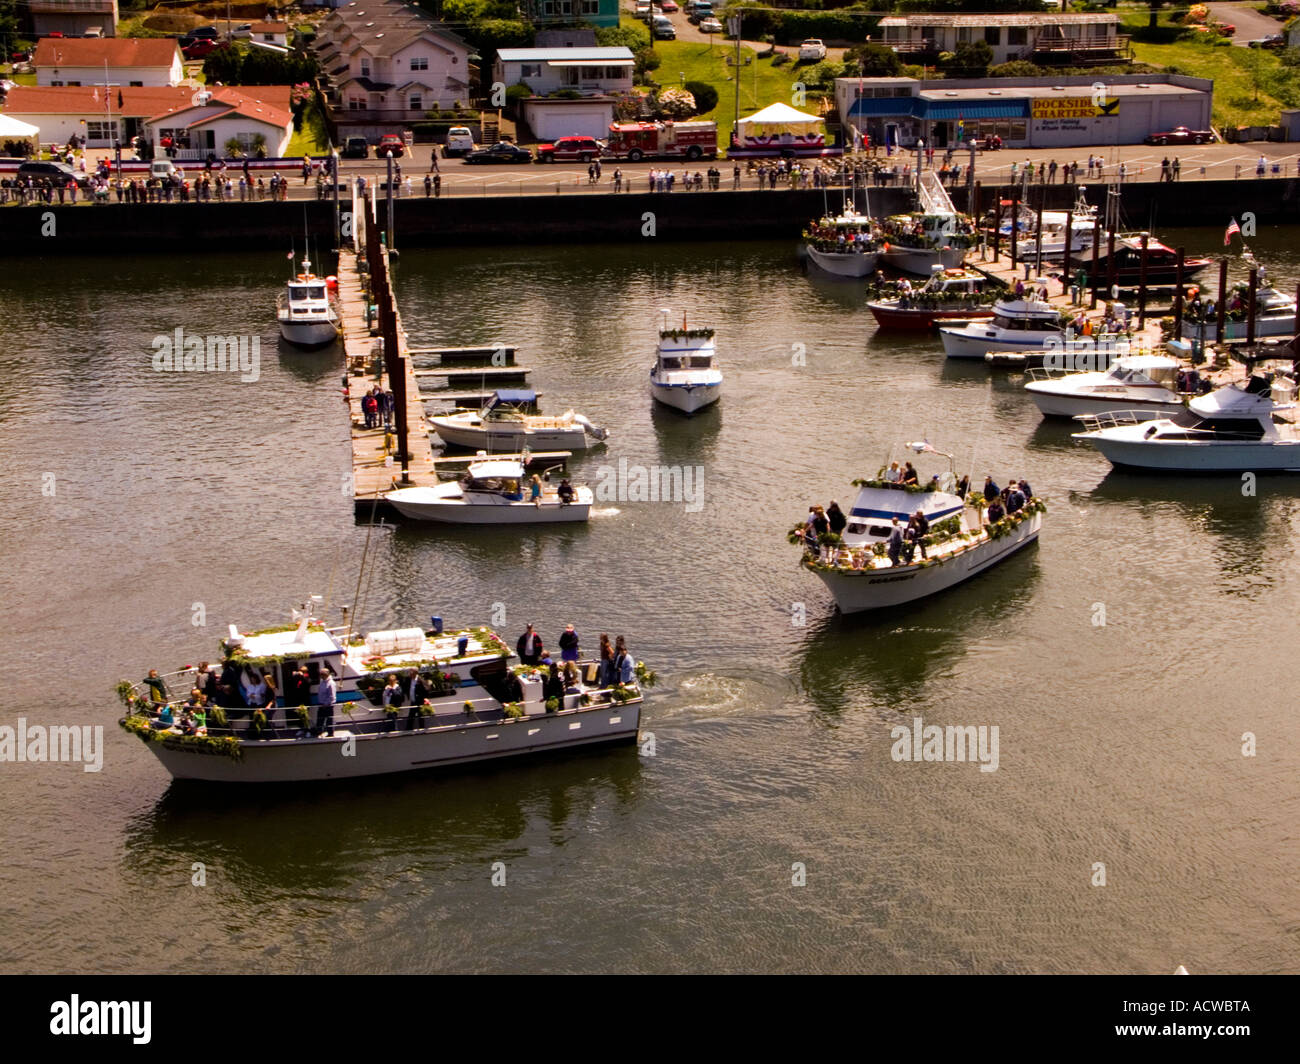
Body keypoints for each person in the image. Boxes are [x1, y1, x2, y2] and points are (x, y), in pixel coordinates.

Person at [314, 667, 336, 737]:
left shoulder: (331, 683)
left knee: (329, 720)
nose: (320, 676)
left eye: (321, 674)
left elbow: (332, 696)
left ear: (325, 675)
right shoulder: (322, 682)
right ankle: (318, 732)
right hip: (321, 705)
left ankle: (330, 733)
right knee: (320, 720)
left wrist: (326, 704)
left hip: (328, 705)